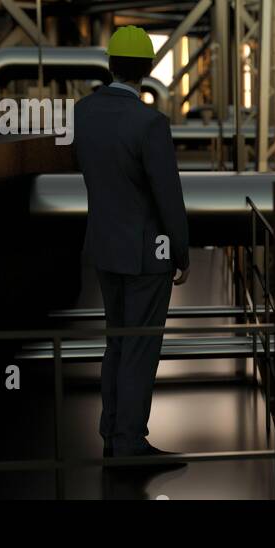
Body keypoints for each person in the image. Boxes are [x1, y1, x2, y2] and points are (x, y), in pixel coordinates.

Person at [73, 25, 190, 458]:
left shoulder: (82, 113)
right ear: (148, 68)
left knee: (116, 342)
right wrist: (181, 250)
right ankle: (129, 441)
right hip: (145, 255)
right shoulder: (150, 123)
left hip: (103, 247)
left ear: (110, 65)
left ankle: (111, 432)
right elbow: (167, 195)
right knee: (140, 347)